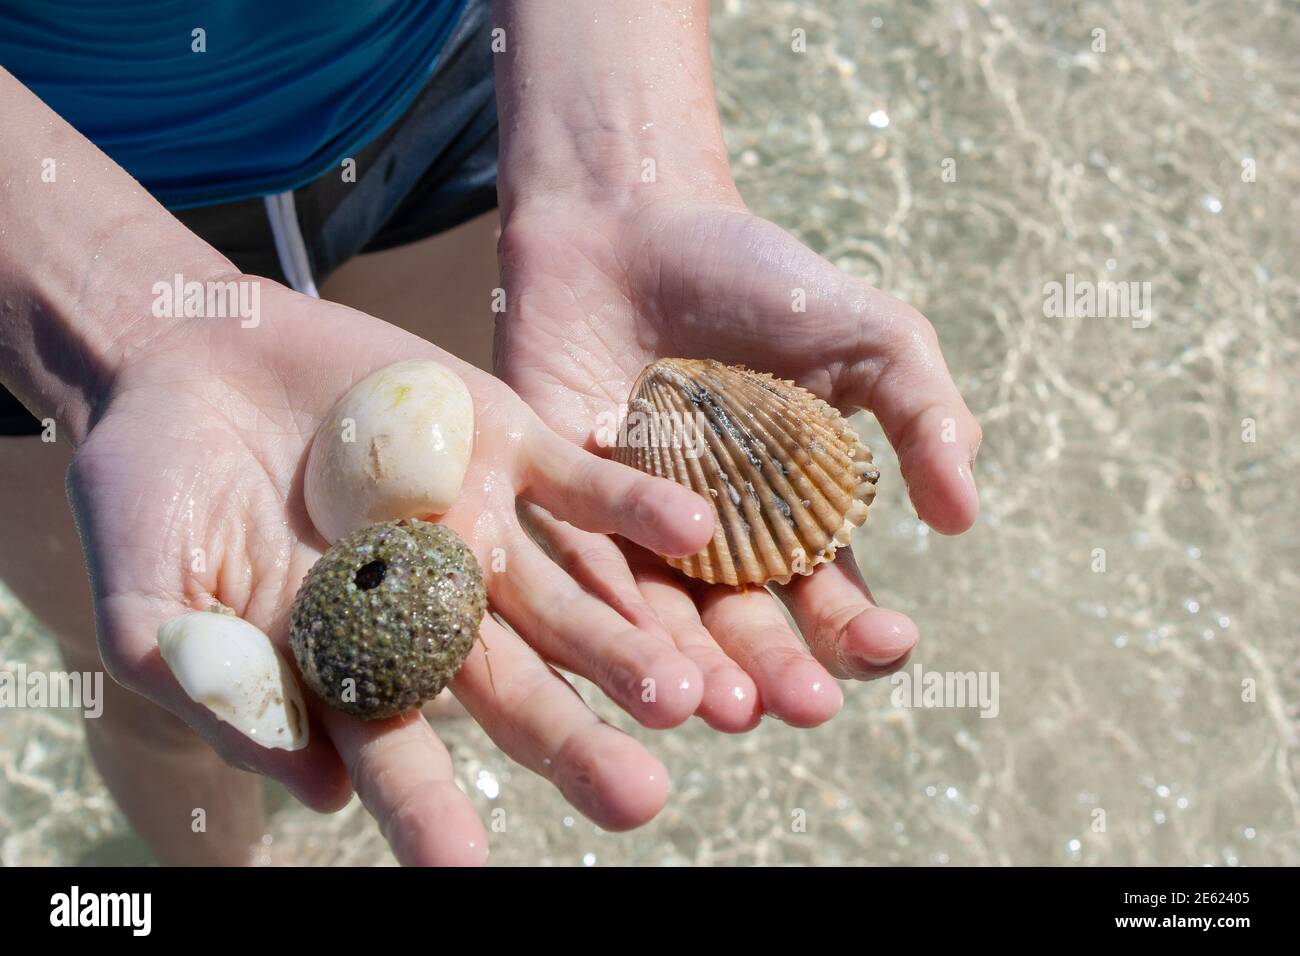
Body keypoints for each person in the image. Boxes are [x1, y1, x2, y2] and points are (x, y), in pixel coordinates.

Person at [0, 0, 981, 865]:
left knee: (487, 530)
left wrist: (617, 177)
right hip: (39, 224)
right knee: (158, 671)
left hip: (435, 104)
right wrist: (124, 327)